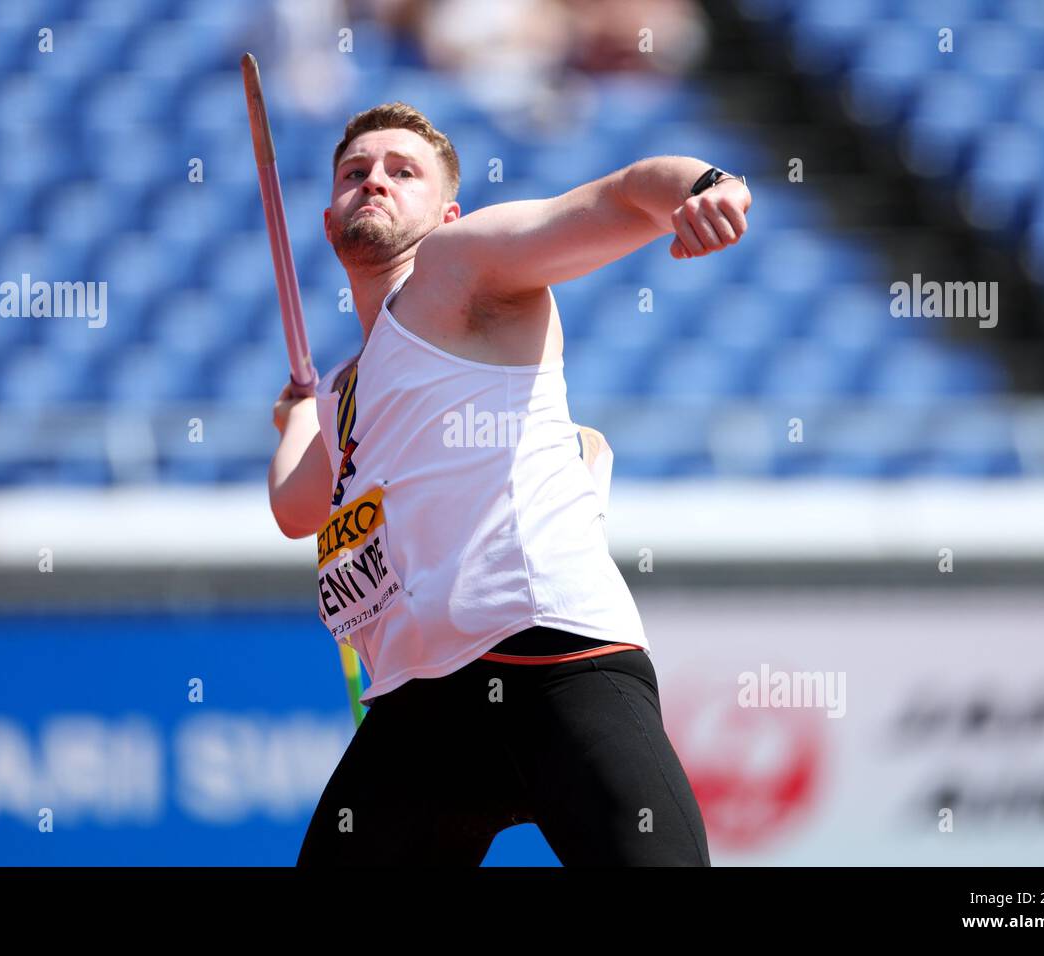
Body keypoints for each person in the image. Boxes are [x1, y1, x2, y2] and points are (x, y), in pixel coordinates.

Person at [268, 101, 750, 865]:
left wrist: (705, 185)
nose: (375, 183)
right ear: (330, 223)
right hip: (420, 711)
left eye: (402, 171)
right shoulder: (344, 393)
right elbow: (296, 507)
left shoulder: (458, 267)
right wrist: (300, 414)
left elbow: (623, 193)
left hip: (552, 665)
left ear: (447, 211)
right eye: (355, 174)